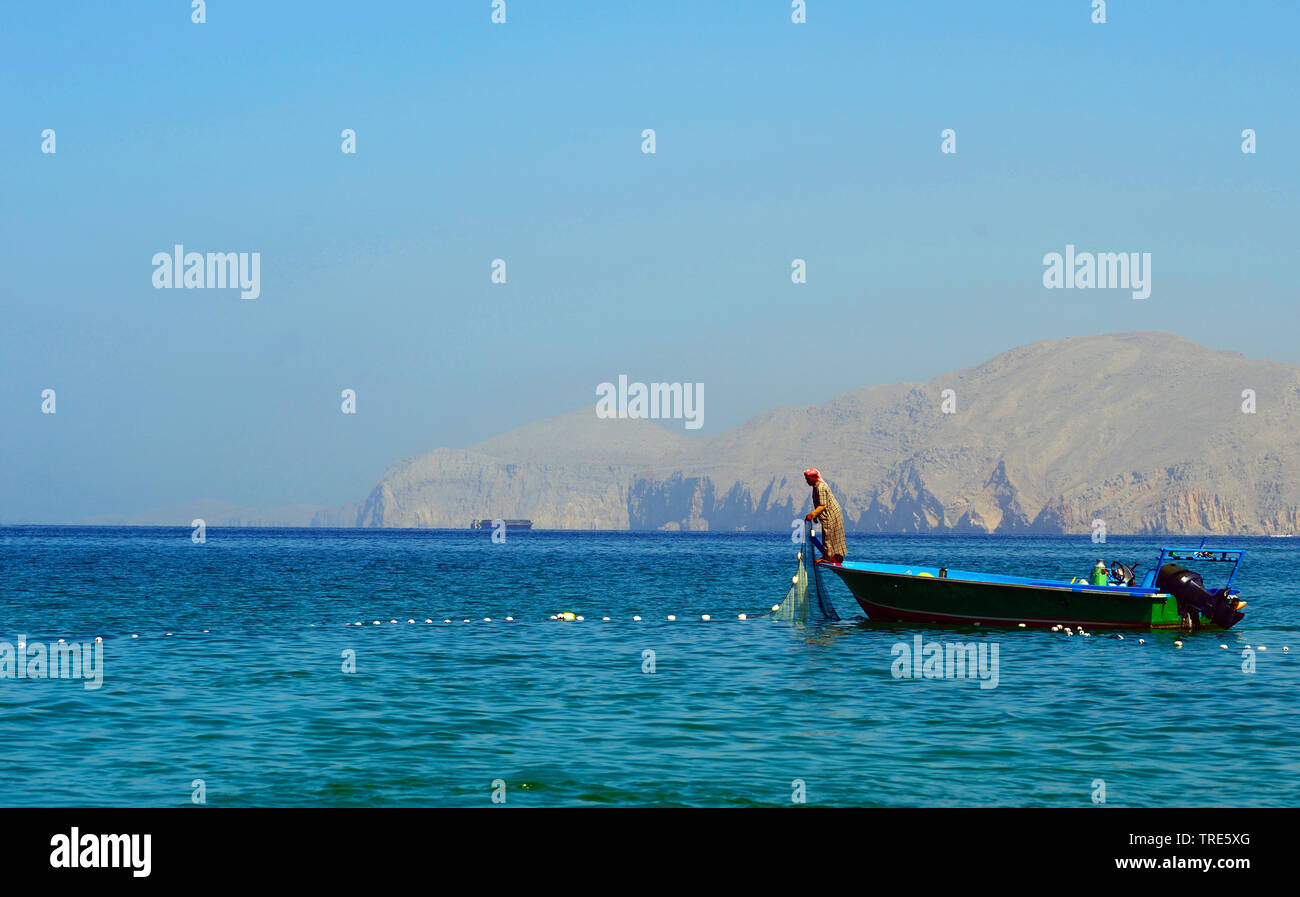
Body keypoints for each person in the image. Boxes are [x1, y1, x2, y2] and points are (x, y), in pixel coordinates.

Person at [803, 468, 846, 564]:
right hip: (830, 513)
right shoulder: (816, 486)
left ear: (814, 477)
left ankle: (828, 559)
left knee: (828, 536)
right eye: (806, 479)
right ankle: (833, 557)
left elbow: (823, 505)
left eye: (808, 479)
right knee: (832, 536)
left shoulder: (820, 487)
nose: (807, 481)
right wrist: (815, 516)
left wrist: (812, 514)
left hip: (831, 514)